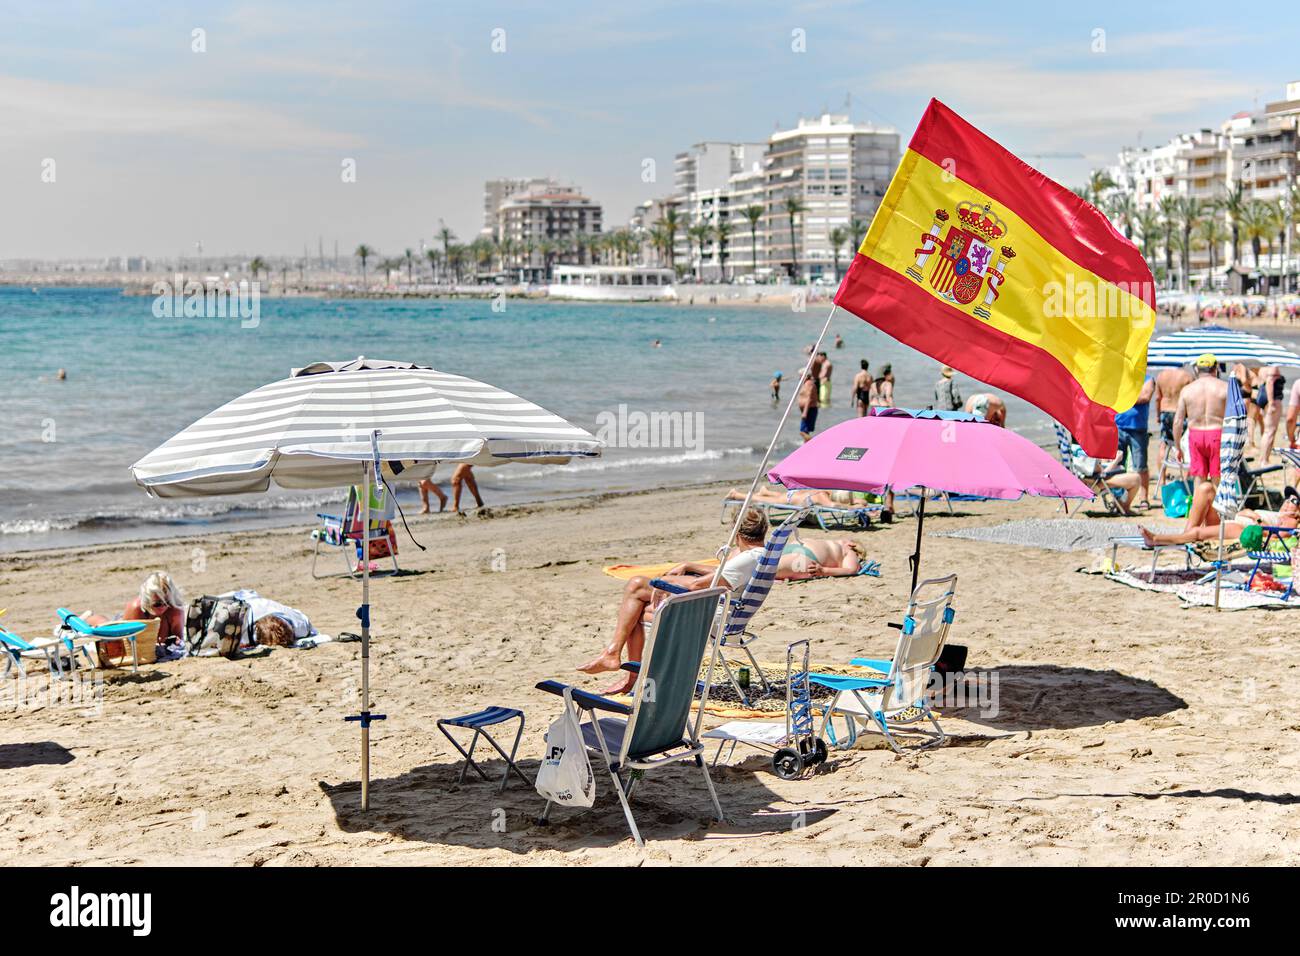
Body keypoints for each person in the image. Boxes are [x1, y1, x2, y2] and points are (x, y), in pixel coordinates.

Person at [577, 508, 770, 694]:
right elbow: (723, 574)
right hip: (726, 615)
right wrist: (688, 565)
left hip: (712, 620)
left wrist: (666, 582)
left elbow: (697, 586)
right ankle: (622, 665)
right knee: (635, 610)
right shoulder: (761, 556)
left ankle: (623, 666)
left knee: (636, 586)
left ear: (736, 532)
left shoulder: (748, 558)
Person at [1140, 483, 1299, 546]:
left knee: (1197, 533)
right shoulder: (1276, 514)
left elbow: (1276, 535)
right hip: (1234, 521)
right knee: (1206, 489)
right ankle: (1185, 538)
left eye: (1294, 501)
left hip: (1241, 530)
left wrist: (1256, 519)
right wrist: (1250, 513)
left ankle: (1155, 540)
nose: (1287, 501)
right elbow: (1243, 511)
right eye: (1287, 498)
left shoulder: (1291, 522)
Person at [84, 571, 186, 646]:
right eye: (157, 604)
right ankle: (86, 617)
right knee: (104, 626)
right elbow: (126, 640)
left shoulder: (175, 610)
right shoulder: (136, 608)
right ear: (148, 599)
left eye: (167, 602)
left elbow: (179, 639)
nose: (163, 607)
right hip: (124, 624)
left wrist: (175, 641)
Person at [1173, 353, 1229, 490]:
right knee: (1218, 477)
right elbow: (1238, 417)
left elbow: (1178, 422)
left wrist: (1178, 447)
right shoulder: (1225, 387)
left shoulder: (1187, 390)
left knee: (1199, 478)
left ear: (1197, 369)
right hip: (1217, 434)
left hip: (1196, 435)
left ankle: (1200, 509)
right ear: (1216, 369)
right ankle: (1218, 511)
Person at [1114, 374, 1155, 510]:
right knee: (1118, 465)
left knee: (1140, 466)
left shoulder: (1148, 379)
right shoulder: (1120, 378)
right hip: (1119, 425)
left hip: (1138, 427)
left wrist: (1124, 397)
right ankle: (1119, 498)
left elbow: (1145, 397)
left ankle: (1144, 499)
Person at [1154, 365, 1193, 488]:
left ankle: (1162, 480)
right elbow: (1191, 397)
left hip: (1165, 411)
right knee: (1186, 446)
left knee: (1164, 445)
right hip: (1180, 413)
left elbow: (1157, 398)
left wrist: (1157, 415)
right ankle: (1186, 478)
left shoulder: (1161, 375)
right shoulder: (1186, 376)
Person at [779, 535, 869, 579]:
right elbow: (852, 569)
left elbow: (851, 570)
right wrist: (823, 570)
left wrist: (824, 571)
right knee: (770, 570)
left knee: (768, 566)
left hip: (792, 548)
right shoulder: (848, 549)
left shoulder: (847, 548)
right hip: (805, 555)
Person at [1256, 365, 1287, 464]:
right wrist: (1271, 403)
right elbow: (1269, 382)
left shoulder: (1261, 369)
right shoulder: (1273, 367)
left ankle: (1263, 458)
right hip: (1273, 401)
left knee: (1267, 431)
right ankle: (1264, 460)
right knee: (1270, 432)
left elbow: (1260, 385)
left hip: (1264, 402)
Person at [798, 366, 820, 442]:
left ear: (805, 376)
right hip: (808, 409)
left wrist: (805, 412)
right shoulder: (806, 383)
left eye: (800, 375)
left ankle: (815, 443)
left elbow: (809, 398)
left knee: (802, 431)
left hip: (809, 410)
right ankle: (806, 446)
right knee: (806, 431)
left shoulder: (809, 384)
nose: (799, 377)